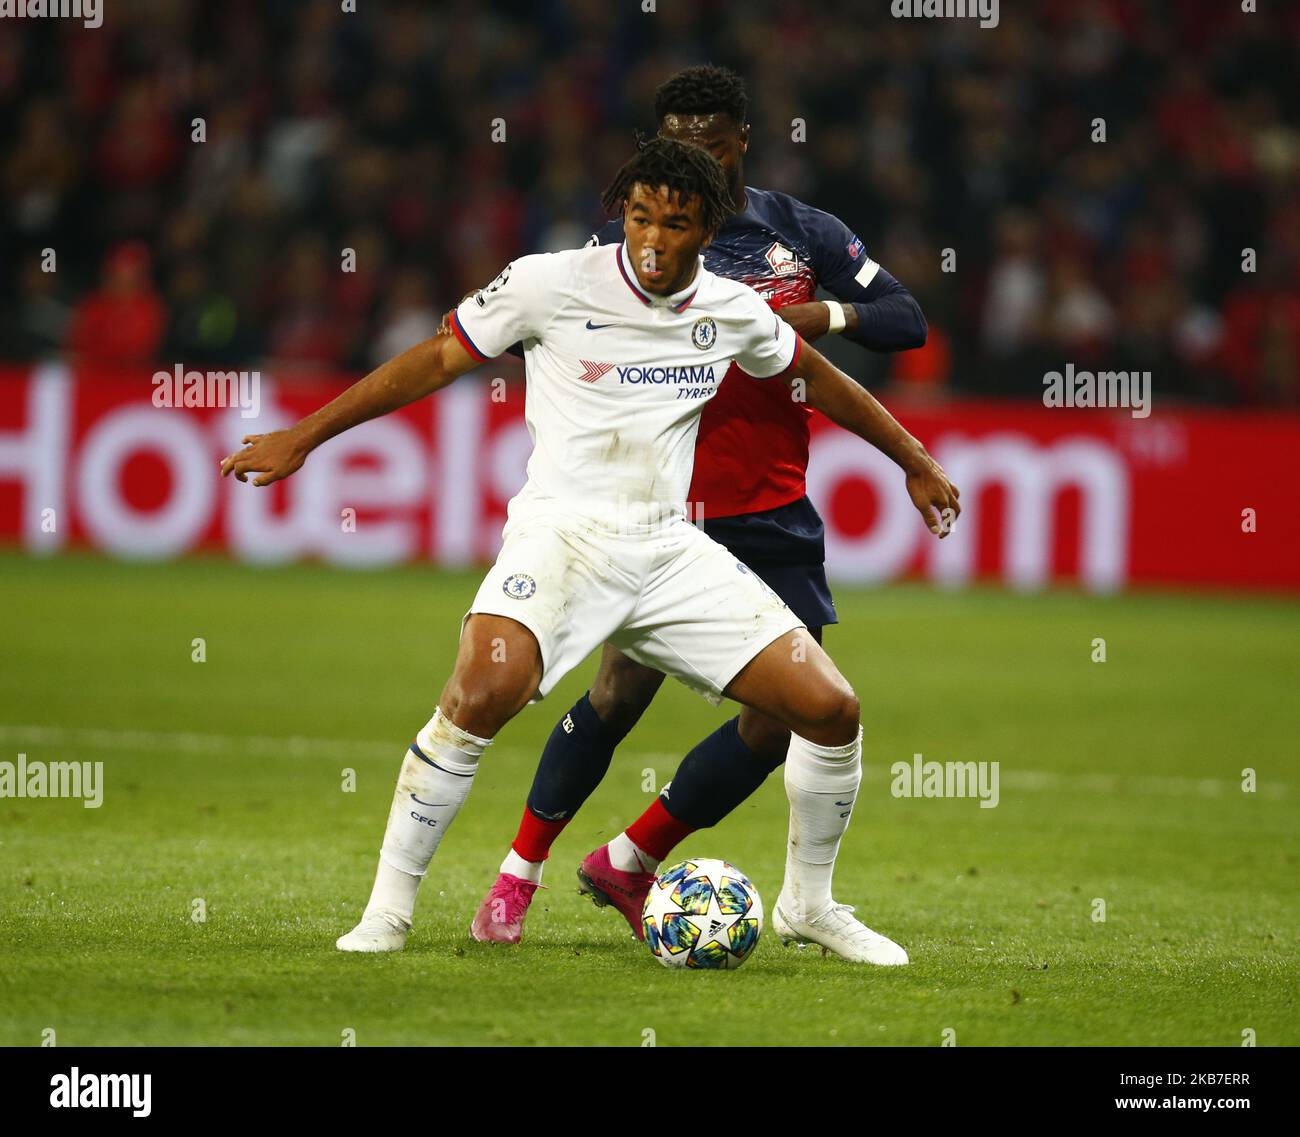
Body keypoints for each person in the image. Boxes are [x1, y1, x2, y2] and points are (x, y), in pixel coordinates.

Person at [220, 139, 959, 960]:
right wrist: (304, 436)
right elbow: (435, 360)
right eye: (640, 216)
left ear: (706, 230)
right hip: (562, 536)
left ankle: (810, 905)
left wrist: (916, 461)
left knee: (830, 710)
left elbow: (822, 380)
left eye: (674, 224)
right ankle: (387, 914)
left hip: (669, 550)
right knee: (483, 689)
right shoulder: (550, 282)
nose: (652, 238)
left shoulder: (731, 308)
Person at [472, 65, 935, 963]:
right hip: (668, 509)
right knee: (616, 693)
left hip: (775, 505)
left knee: (792, 715)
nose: (698, 163)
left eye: (713, 146)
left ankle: (633, 856)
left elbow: (904, 317)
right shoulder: (642, 239)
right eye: (681, 147)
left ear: (741, 142)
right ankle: (516, 875)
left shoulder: (800, 232)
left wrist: (809, 317)